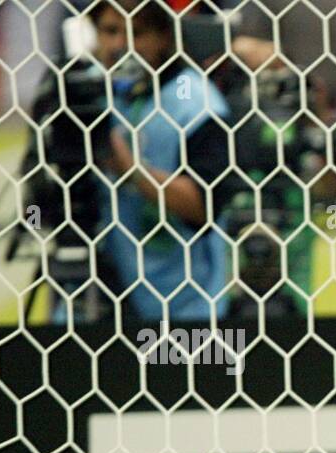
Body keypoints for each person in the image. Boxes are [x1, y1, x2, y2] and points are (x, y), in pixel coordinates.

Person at [101, 0, 232, 322]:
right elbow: (35, 207)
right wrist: (34, 216)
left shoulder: (195, 102)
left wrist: (131, 170)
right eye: (110, 31)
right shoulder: (82, 94)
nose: (121, 45)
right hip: (96, 295)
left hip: (186, 306)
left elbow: (204, 205)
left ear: (165, 37)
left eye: (137, 33)